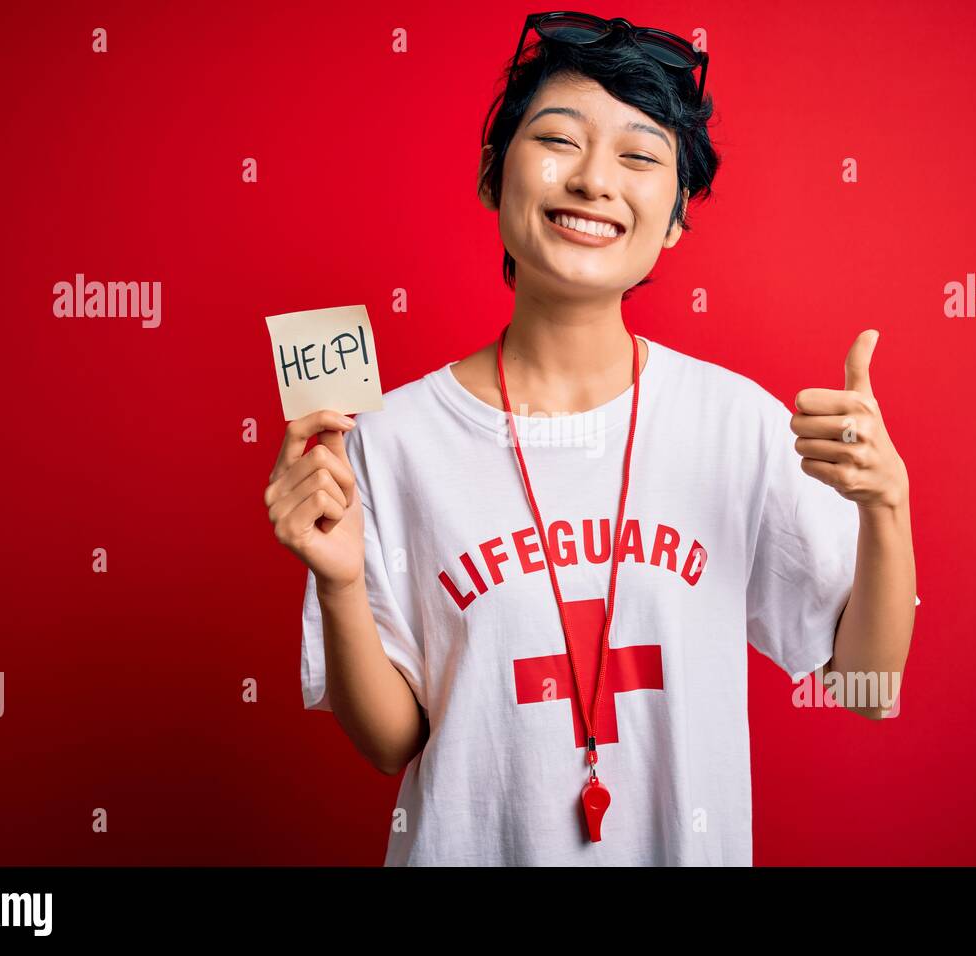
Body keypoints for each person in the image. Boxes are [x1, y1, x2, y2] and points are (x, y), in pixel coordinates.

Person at [264, 13, 916, 866]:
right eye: (558, 140)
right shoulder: (385, 438)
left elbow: (867, 692)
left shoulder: (737, 423)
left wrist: (887, 506)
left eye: (640, 157)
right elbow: (391, 744)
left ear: (675, 221)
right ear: (494, 177)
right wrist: (341, 580)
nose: (594, 180)